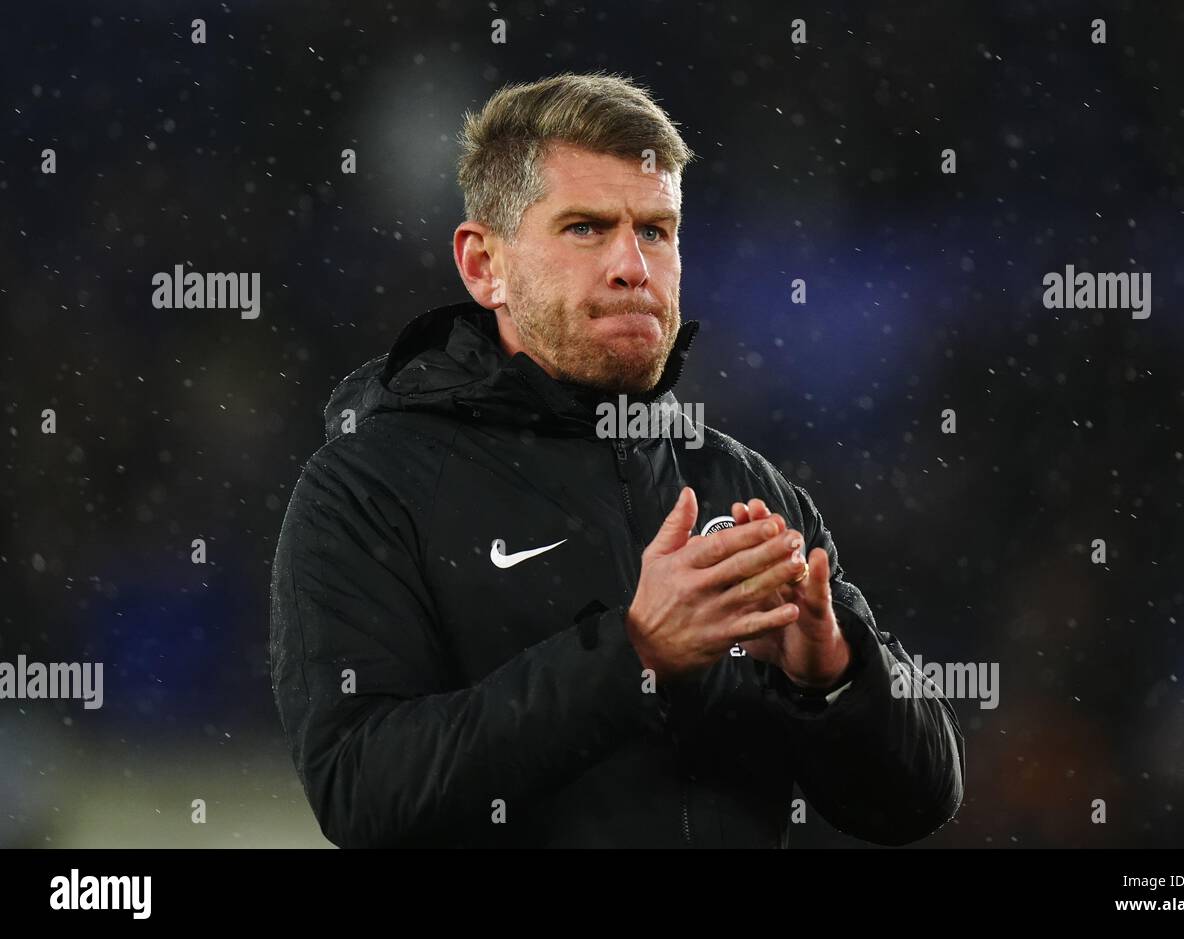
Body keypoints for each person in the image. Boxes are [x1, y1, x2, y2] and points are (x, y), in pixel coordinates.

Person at [269, 72, 964, 848]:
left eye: (657, 231)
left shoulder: (743, 487)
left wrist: (830, 672)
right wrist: (632, 656)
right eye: (587, 228)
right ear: (483, 265)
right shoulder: (369, 488)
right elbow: (362, 790)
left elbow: (920, 800)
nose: (633, 266)